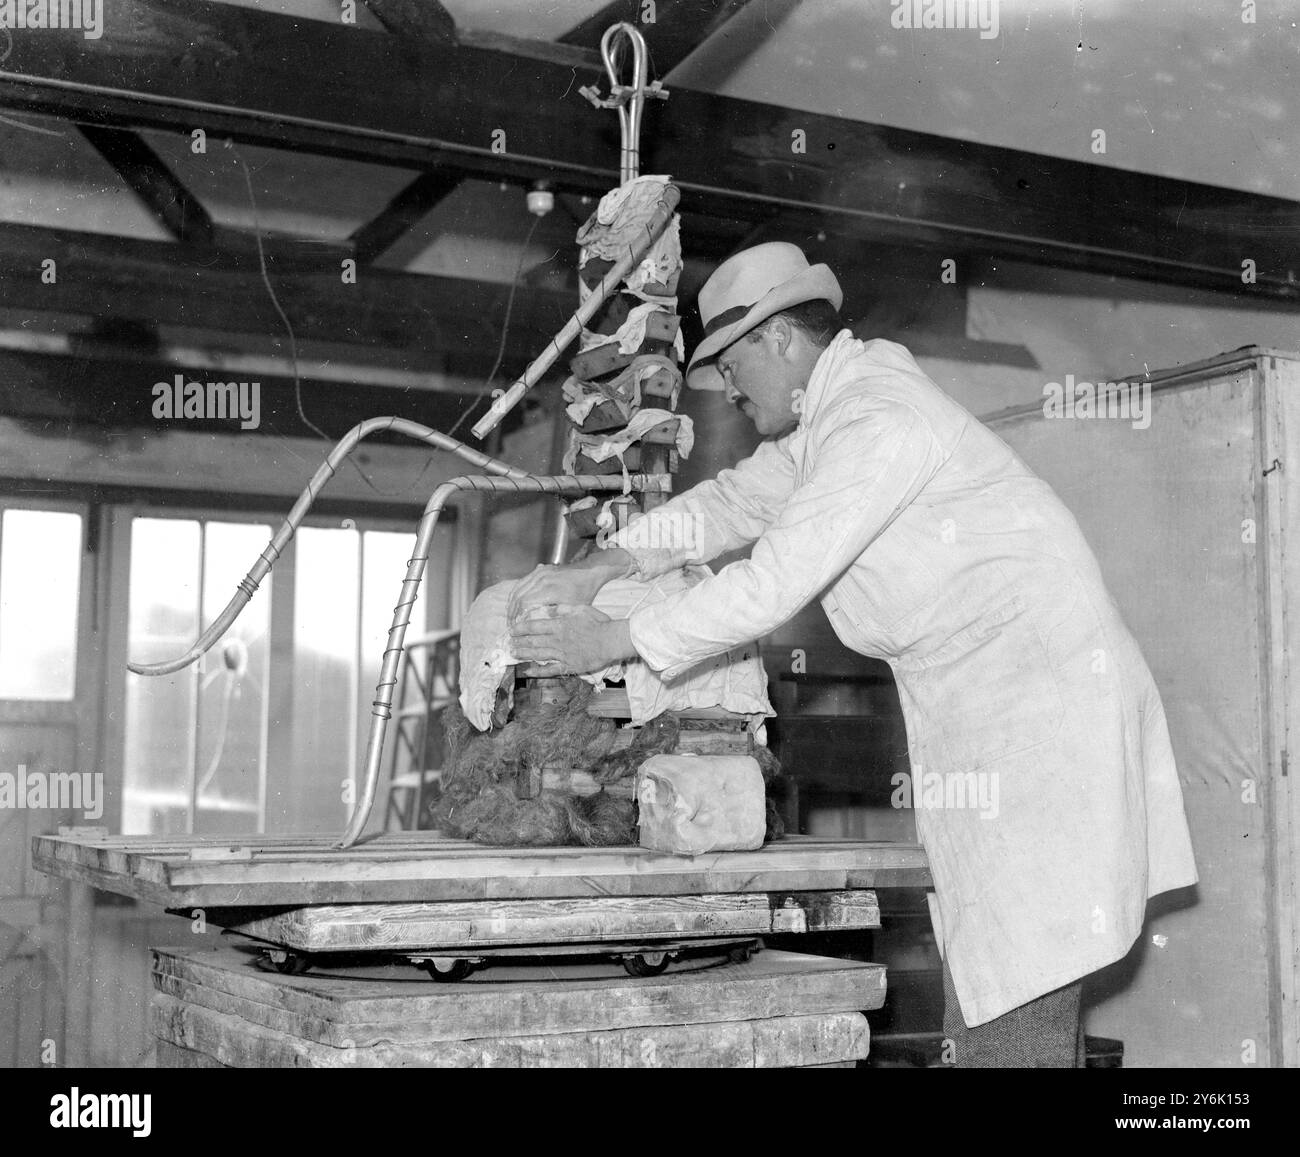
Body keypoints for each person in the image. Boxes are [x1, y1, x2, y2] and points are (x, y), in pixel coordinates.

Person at [508, 241, 1197, 1067]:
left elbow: (773, 581)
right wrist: (605, 564)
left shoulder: (877, 418)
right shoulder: (834, 417)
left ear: (778, 341)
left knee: (1014, 997)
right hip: (997, 715)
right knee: (997, 981)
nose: (725, 389)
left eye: (728, 366)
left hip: (1043, 720)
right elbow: (733, 503)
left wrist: (614, 636)